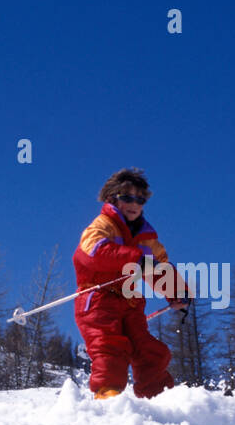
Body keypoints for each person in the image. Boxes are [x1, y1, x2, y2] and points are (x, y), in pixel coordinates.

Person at [72, 168, 187, 399]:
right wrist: (135, 258)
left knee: (148, 350)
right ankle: (108, 395)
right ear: (113, 198)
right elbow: (91, 253)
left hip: (130, 301)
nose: (133, 203)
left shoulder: (146, 237)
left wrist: (177, 292)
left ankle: (159, 396)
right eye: (126, 197)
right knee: (109, 347)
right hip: (98, 299)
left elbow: (159, 266)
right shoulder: (102, 225)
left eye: (139, 198)